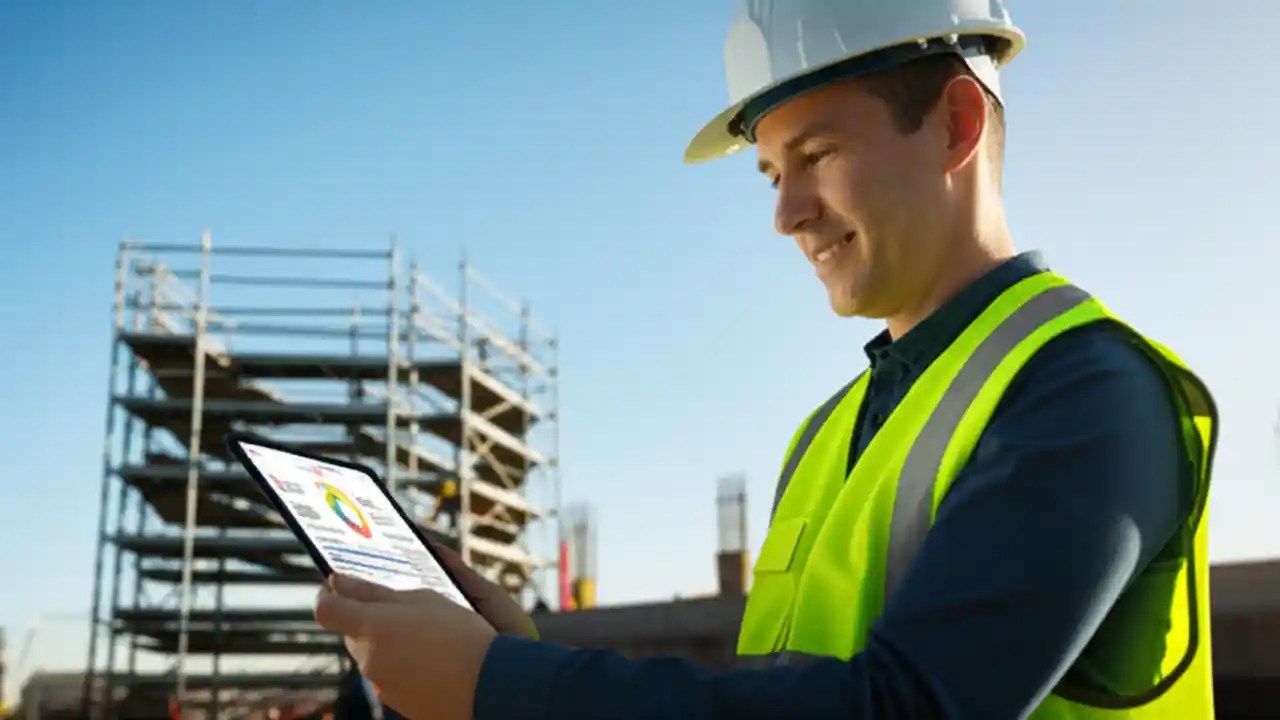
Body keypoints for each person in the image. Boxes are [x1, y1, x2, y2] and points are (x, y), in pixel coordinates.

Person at [313, 1, 1219, 718]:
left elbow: (903, 710)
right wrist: (521, 656)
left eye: (817, 154)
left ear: (955, 123)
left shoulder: (1086, 390)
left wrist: (500, 690)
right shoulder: (826, 436)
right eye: (771, 174)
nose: (785, 215)